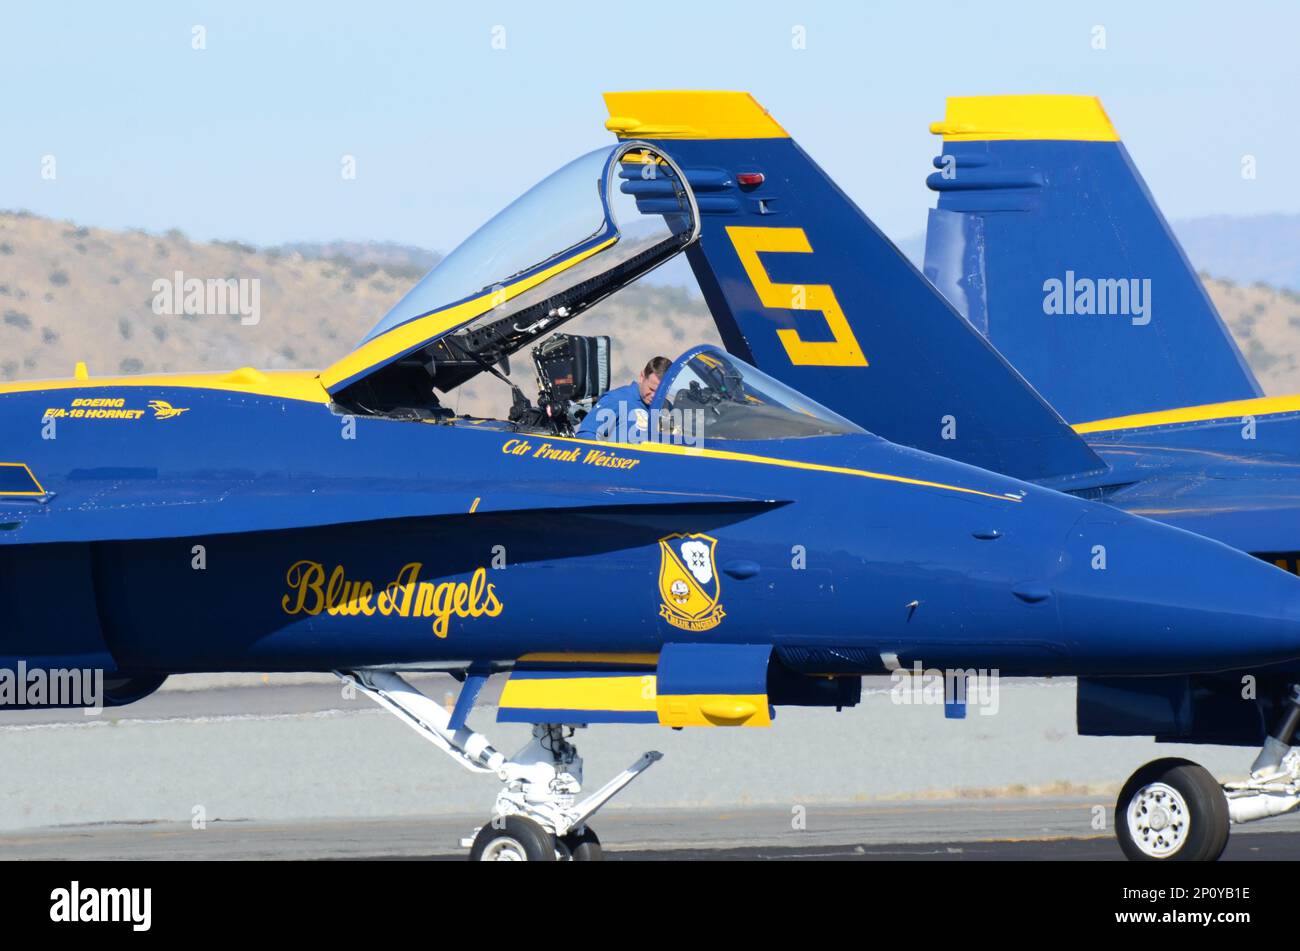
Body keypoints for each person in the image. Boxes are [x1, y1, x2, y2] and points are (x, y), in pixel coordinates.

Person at [575, 356, 671, 443]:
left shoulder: (667, 408)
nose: (654, 396)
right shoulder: (617, 399)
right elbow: (585, 435)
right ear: (642, 377)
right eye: (651, 389)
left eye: (661, 392)